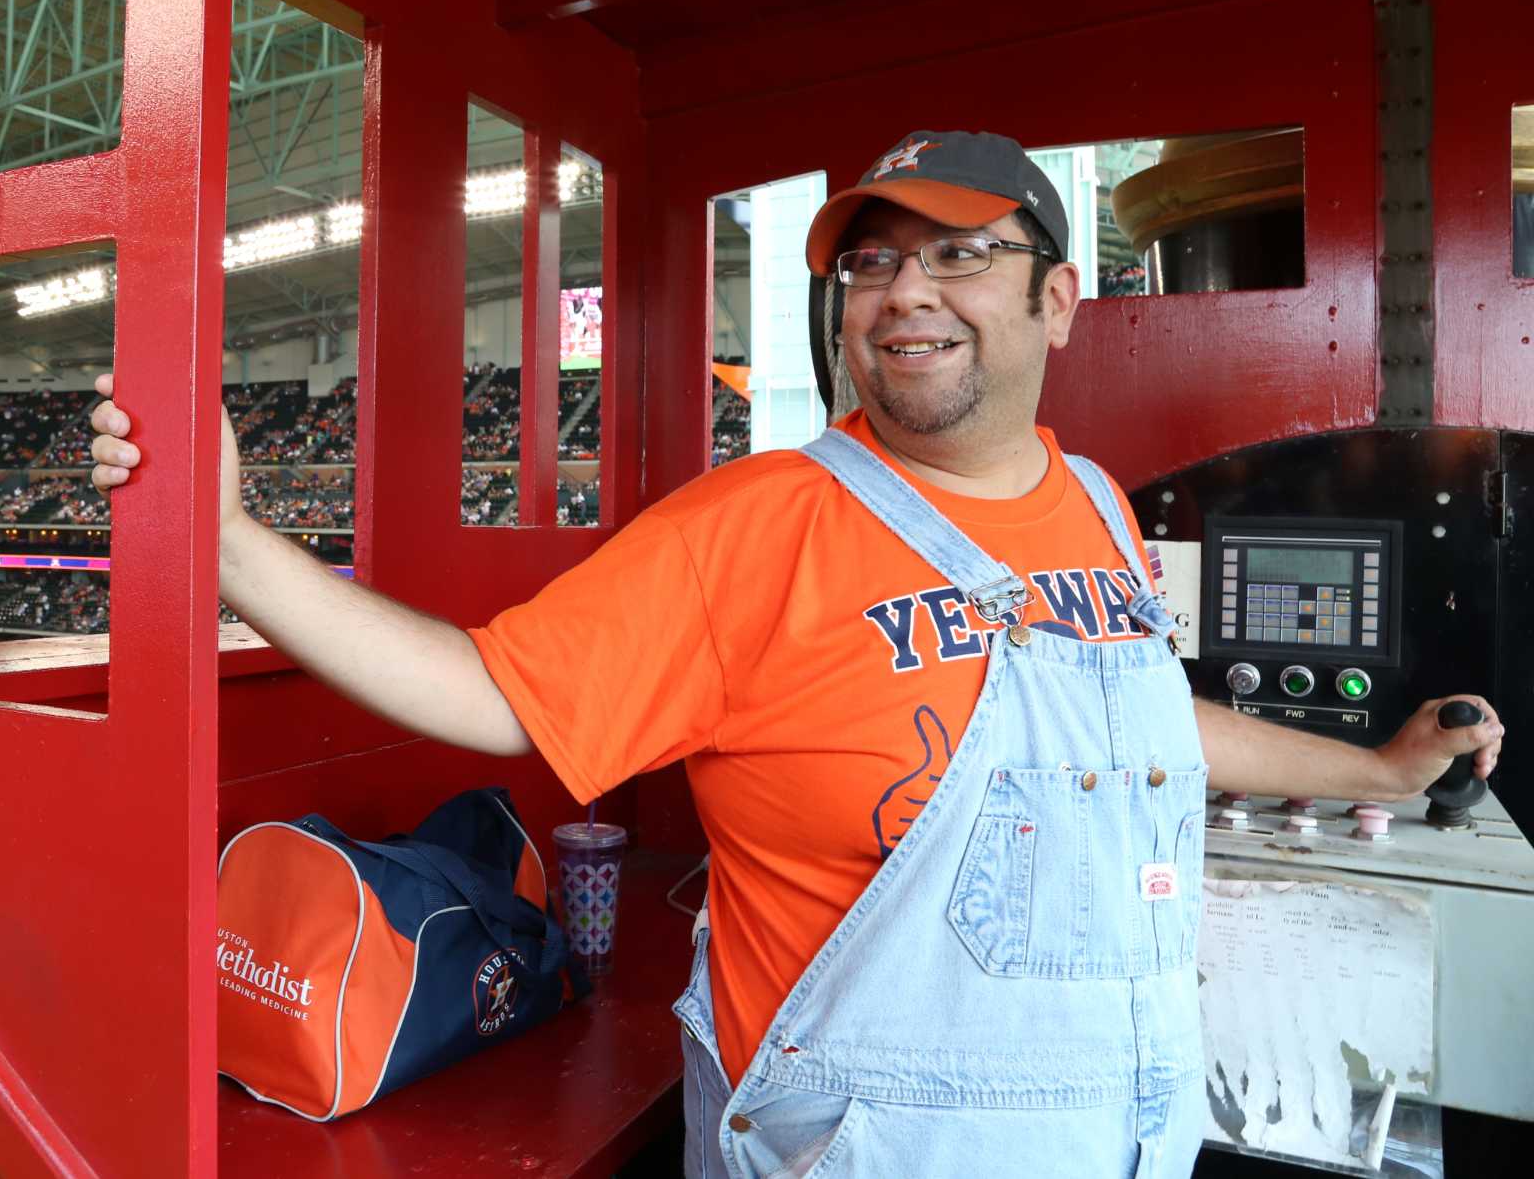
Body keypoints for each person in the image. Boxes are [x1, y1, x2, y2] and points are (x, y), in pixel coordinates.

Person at [88, 130, 1506, 1178]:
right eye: (874, 261)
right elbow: (485, 692)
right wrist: (230, 548)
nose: (906, 292)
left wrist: (1375, 760)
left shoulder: (1091, 507)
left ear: (1060, 300)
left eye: (962, 252)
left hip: (1117, 1136)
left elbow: (1146, 725)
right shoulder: (757, 524)